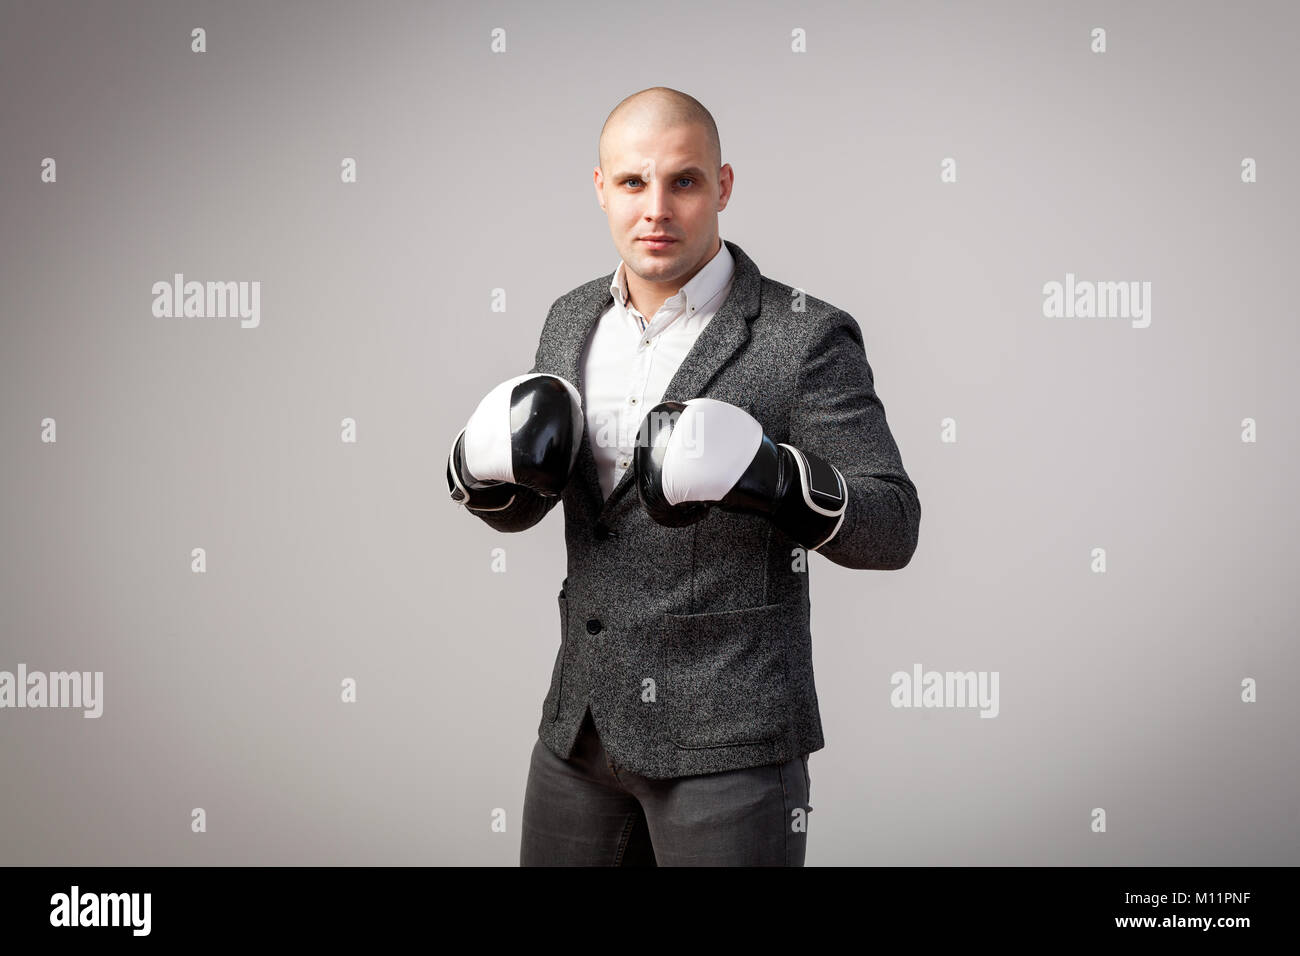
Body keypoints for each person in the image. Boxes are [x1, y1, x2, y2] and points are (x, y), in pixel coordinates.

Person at [447, 87, 921, 866]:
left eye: (685, 181)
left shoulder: (804, 334)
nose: (656, 208)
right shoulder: (570, 318)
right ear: (600, 188)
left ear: (723, 187)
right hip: (579, 731)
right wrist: (479, 473)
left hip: (728, 745)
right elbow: (541, 496)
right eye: (633, 182)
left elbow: (893, 527)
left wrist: (773, 475)